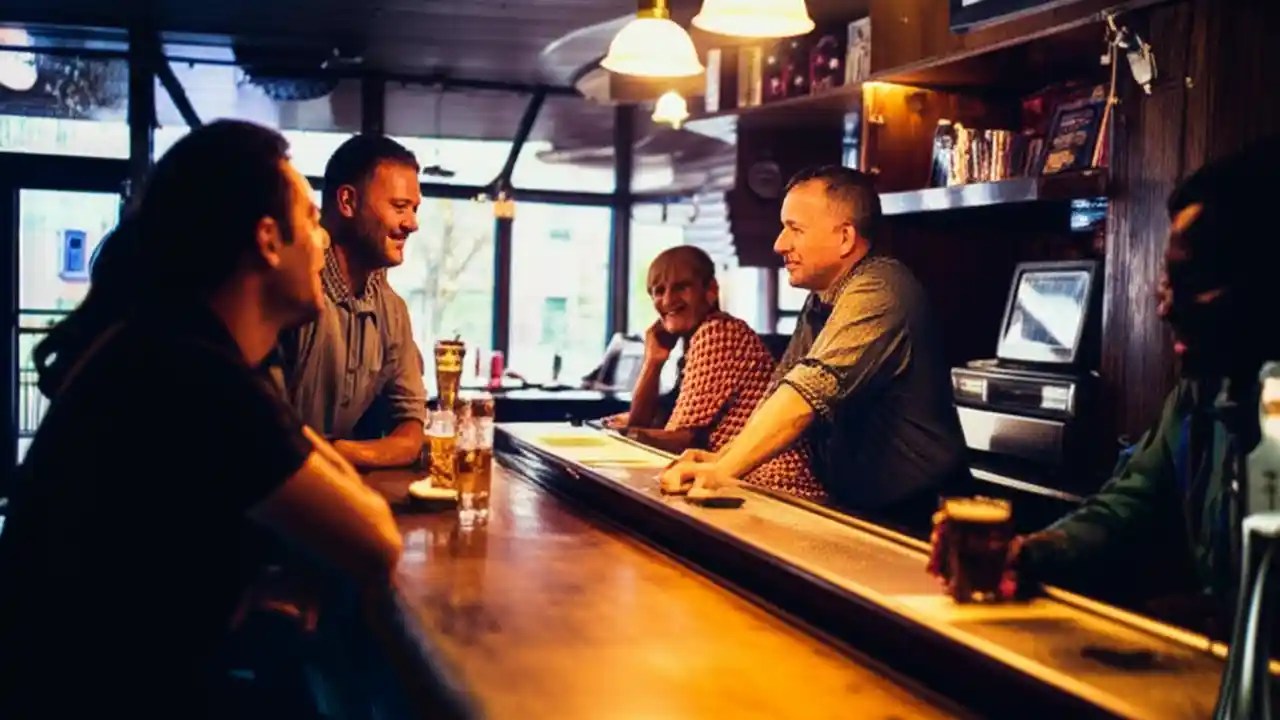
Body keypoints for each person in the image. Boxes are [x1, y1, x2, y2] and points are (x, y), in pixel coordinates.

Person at [0, 120, 403, 716]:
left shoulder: (161, 346)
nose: (322, 243)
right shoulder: (196, 375)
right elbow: (376, 540)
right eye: (311, 221)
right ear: (269, 241)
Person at [930, 137, 1280, 634]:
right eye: (1167, 280)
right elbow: (1128, 506)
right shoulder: (1197, 395)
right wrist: (1029, 554)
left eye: (1197, 281)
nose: (1166, 307)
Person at [662, 166, 969, 533]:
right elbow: (781, 388)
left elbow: (806, 393)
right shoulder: (821, 299)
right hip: (863, 507)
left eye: (795, 229)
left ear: (845, 238)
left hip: (924, 517)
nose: (779, 244)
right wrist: (722, 457)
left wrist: (720, 473)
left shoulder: (880, 289)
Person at [612, 246, 823, 500]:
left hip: (776, 483)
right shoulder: (697, 339)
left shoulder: (717, 333)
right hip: (738, 475)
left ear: (710, 291)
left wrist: (628, 434)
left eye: (681, 287)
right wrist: (653, 360)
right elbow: (645, 424)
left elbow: (681, 441)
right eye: (659, 291)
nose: (667, 301)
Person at [279, 134, 427, 469]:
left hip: (324, 488)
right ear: (347, 202)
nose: (412, 224)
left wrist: (343, 454)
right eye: (400, 207)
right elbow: (258, 437)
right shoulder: (293, 292)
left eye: (415, 209)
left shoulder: (392, 310)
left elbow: (412, 427)